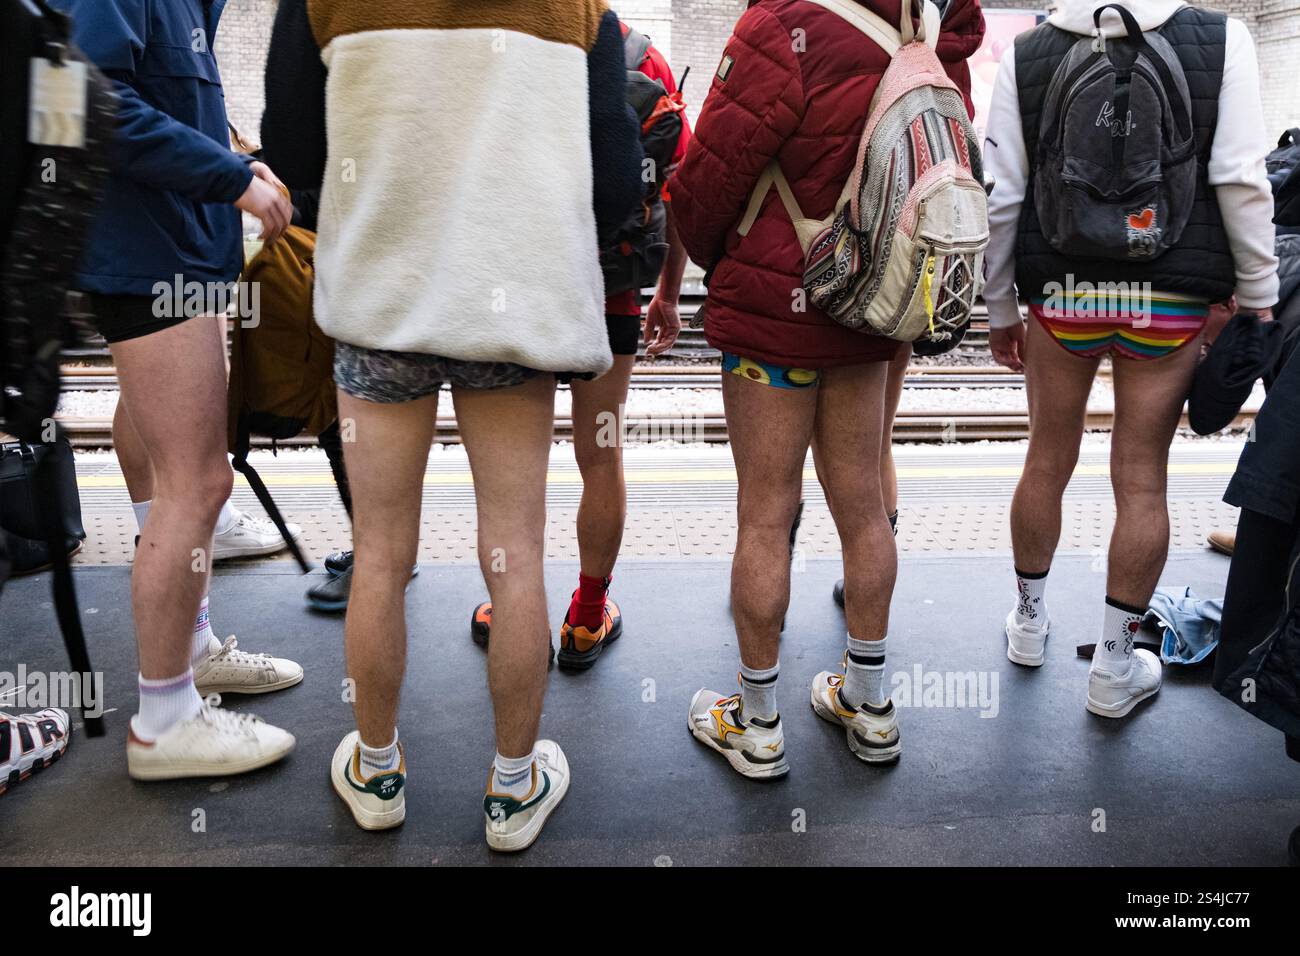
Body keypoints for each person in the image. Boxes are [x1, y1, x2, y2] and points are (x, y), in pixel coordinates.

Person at [262, 0, 642, 849]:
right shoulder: (578, 10)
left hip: (378, 308)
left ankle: (377, 768)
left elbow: (288, 146)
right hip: (510, 311)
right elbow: (618, 179)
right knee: (514, 552)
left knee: (382, 551)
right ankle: (512, 788)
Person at [671, 0, 966, 777]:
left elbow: (707, 182)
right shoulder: (925, 27)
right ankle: (868, 707)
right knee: (864, 508)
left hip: (774, 315)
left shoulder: (781, 23)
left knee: (765, 517)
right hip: (867, 309)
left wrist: (728, 257)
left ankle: (758, 722)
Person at [983, 0, 1277, 716]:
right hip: (1169, 299)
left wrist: (998, 305)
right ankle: (1114, 671)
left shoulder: (1029, 53)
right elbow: (1240, 176)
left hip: (1064, 292)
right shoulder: (1222, 38)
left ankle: (1027, 625)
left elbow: (1006, 195)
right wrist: (1258, 293)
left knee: (1046, 457)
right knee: (1142, 476)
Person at [55, 0, 302, 779]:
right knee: (198, 481)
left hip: (169, 249)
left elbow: (158, 95)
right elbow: (81, 99)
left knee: (175, 472)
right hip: (148, 255)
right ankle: (164, 721)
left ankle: (188, 650)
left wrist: (235, 158)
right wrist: (230, 177)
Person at [468, 20, 691, 671]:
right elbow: (678, 185)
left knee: (517, 462)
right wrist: (669, 294)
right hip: (611, 294)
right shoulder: (645, 57)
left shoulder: (510, 38)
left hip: (524, 291)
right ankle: (588, 619)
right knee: (601, 453)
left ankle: (514, 611)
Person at [831, 0, 985, 608]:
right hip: (898, 263)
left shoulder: (808, 21)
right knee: (874, 442)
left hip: (814, 253)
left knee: (775, 471)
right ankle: (864, 592)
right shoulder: (941, 36)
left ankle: (777, 567)